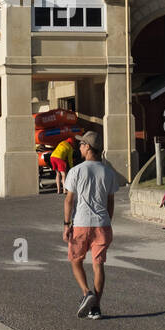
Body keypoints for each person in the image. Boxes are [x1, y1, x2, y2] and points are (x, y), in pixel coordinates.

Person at [63, 132, 118, 320]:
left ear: (87, 147)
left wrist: (66, 224)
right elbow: (111, 201)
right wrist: (108, 221)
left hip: (81, 223)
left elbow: (69, 200)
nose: (79, 148)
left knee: (75, 260)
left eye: (81, 145)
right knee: (98, 264)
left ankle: (87, 293)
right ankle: (96, 308)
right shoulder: (108, 171)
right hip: (102, 224)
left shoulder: (76, 171)